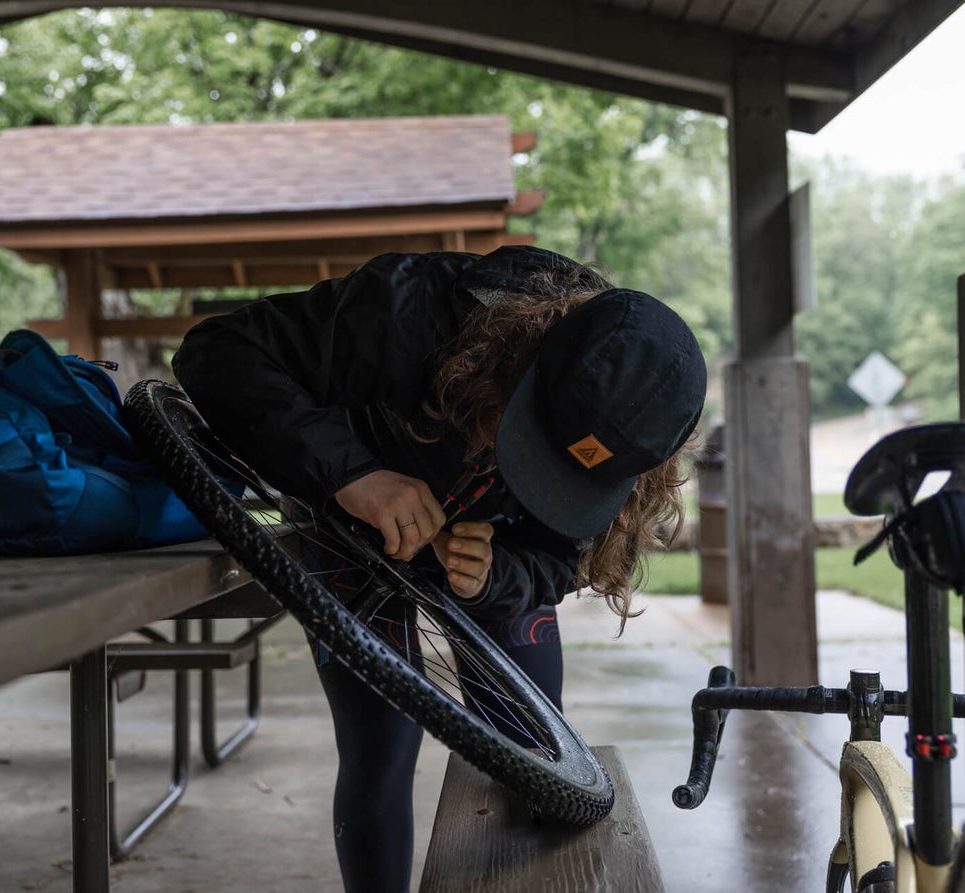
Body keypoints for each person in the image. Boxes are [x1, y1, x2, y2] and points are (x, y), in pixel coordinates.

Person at [172, 245, 706, 892]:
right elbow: (215, 352)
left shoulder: (626, 409)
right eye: (530, 443)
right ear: (526, 361)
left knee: (533, 755)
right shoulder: (408, 314)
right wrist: (352, 474)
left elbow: (555, 559)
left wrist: (499, 575)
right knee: (381, 753)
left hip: (487, 548)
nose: (529, 475)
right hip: (353, 527)